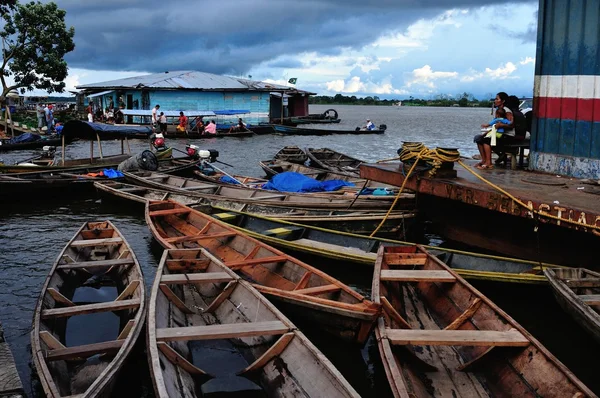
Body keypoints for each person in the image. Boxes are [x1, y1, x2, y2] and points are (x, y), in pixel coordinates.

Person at [473, 92, 514, 169]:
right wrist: (486, 133)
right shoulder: (499, 110)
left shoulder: (506, 111)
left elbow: (511, 125)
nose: (495, 100)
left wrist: (501, 125)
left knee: (486, 140)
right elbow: (495, 125)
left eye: (497, 99)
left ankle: (489, 163)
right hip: (497, 133)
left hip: (506, 135)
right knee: (479, 139)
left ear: (503, 101)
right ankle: (484, 160)